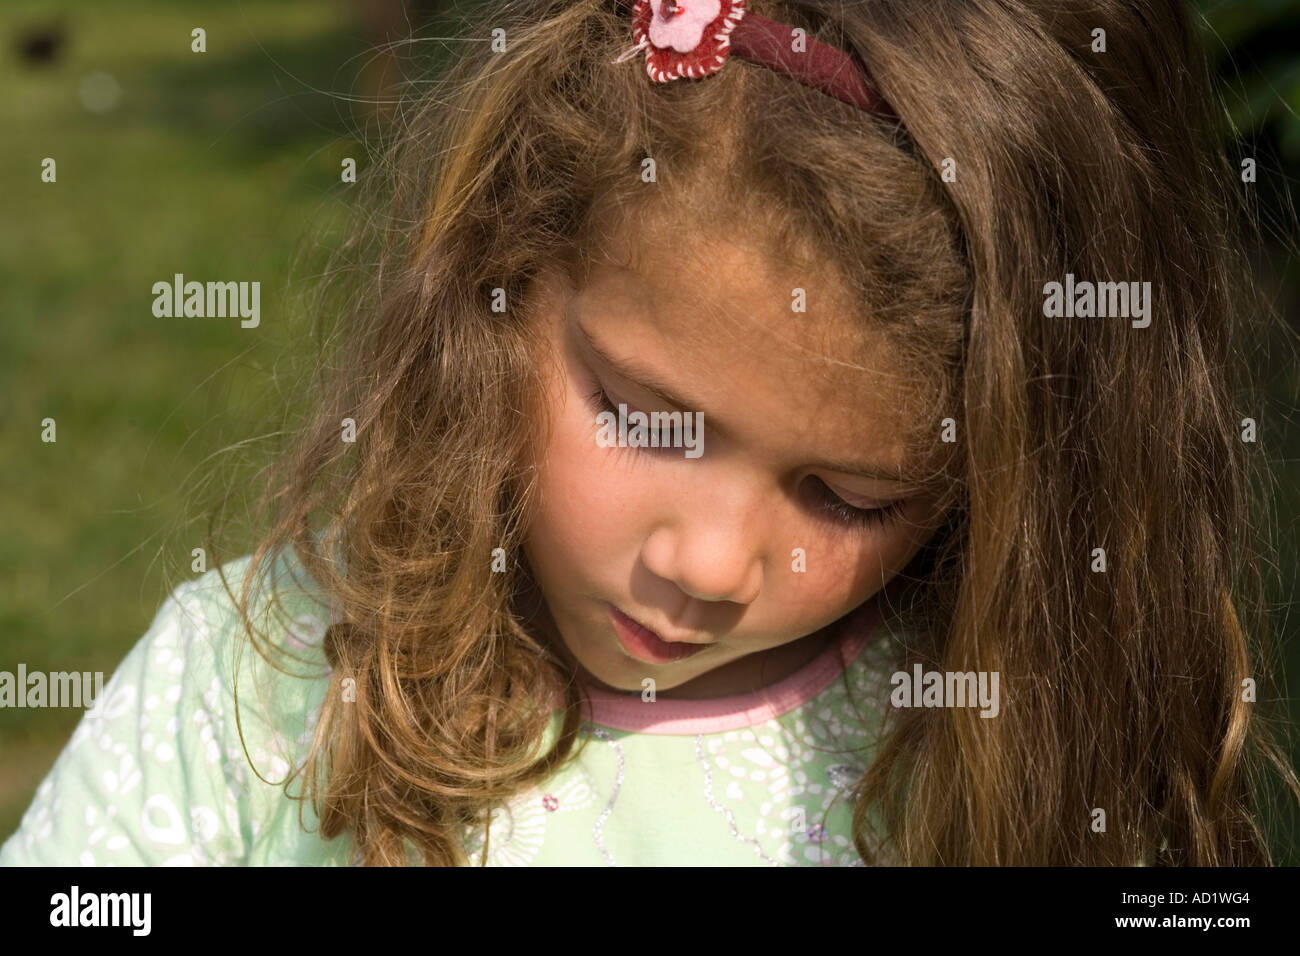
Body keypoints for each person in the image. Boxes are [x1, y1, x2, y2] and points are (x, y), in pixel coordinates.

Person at [3, 0, 1296, 866]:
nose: (711, 564)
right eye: (643, 419)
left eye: (850, 497)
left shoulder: (989, 746)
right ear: (501, 284)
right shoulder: (254, 686)